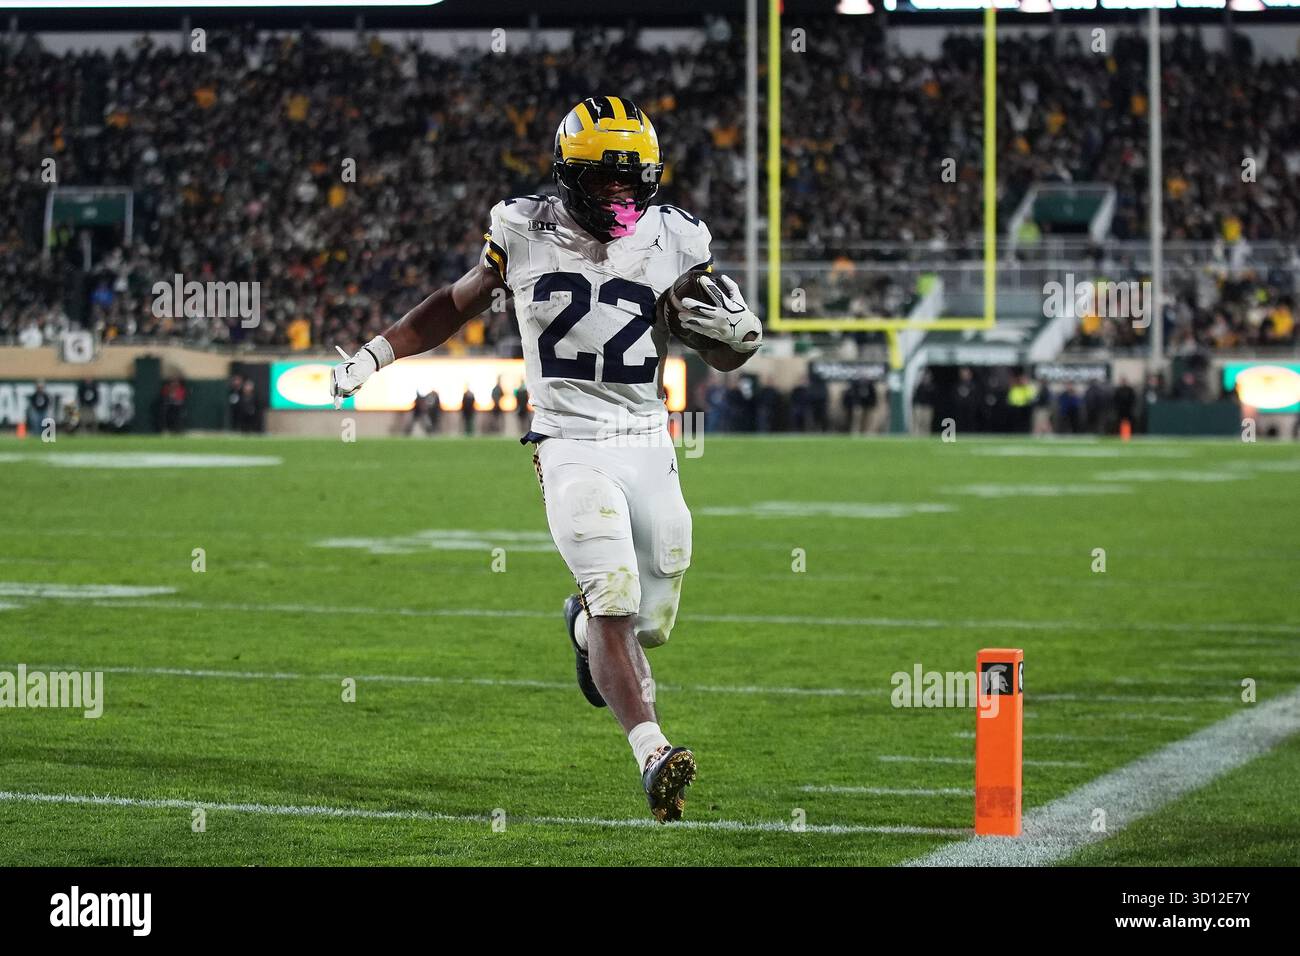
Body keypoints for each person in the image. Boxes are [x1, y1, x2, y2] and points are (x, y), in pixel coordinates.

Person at [331, 96, 761, 822]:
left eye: (633, 178)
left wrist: (739, 340)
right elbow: (455, 302)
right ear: (570, 175)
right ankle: (653, 751)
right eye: (606, 178)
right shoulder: (523, 229)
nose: (622, 193)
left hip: (646, 438)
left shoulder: (679, 238)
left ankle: (579, 628)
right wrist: (379, 352)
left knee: (651, 618)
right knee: (617, 596)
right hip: (567, 441)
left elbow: (714, 348)